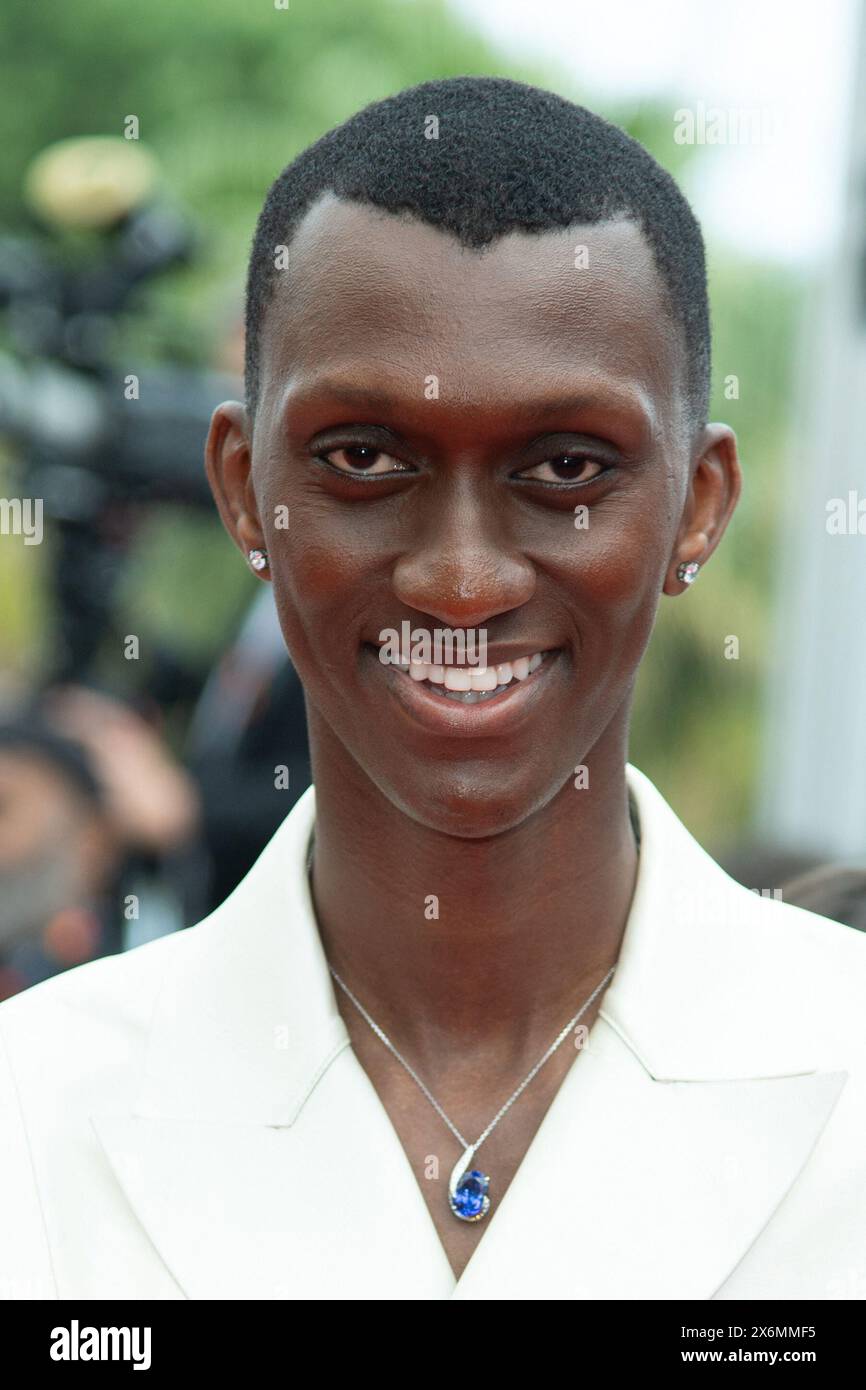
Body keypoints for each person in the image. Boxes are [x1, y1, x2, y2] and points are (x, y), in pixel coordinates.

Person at [2, 75, 866, 1302]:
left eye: (565, 466)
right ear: (245, 489)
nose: (460, 580)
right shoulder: (31, 1116)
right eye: (363, 459)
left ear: (698, 505)